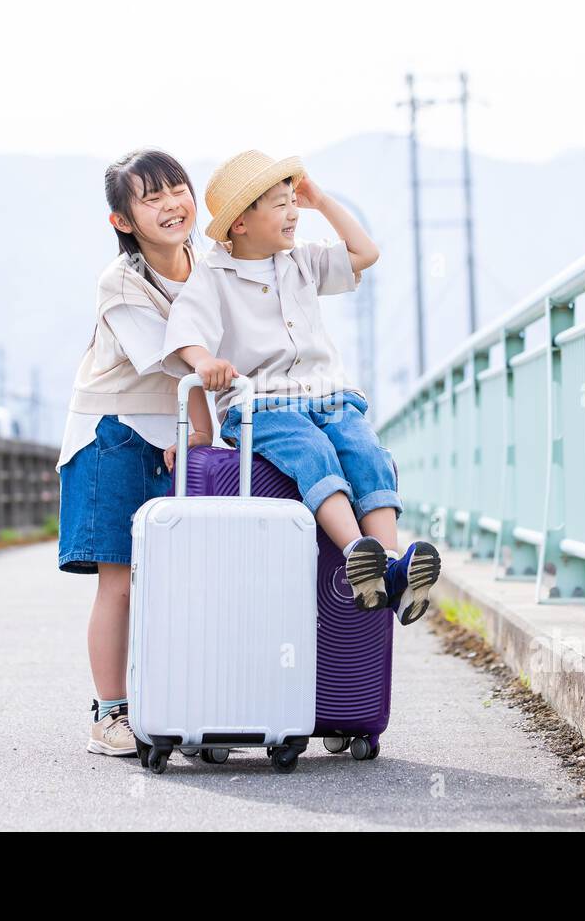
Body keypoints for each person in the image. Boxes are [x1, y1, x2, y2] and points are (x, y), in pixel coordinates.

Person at [162, 149, 441, 626]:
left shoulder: (302, 259)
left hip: (330, 395)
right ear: (241, 224)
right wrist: (206, 361)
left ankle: (390, 565)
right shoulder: (213, 273)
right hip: (265, 404)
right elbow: (186, 331)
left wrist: (320, 199)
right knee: (313, 451)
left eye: (294, 200)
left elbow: (364, 253)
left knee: (367, 451)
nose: (293, 212)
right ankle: (358, 554)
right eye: (279, 203)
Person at [56, 149, 213, 757]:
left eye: (178, 188)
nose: (172, 204)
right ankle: (109, 713)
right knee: (118, 582)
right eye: (151, 198)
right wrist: (201, 429)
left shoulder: (209, 267)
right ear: (124, 221)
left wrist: (201, 438)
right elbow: (179, 357)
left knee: (183, 579)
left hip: (179, 435)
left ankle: (183, 705)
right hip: (112, 431)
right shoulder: (118, 283)